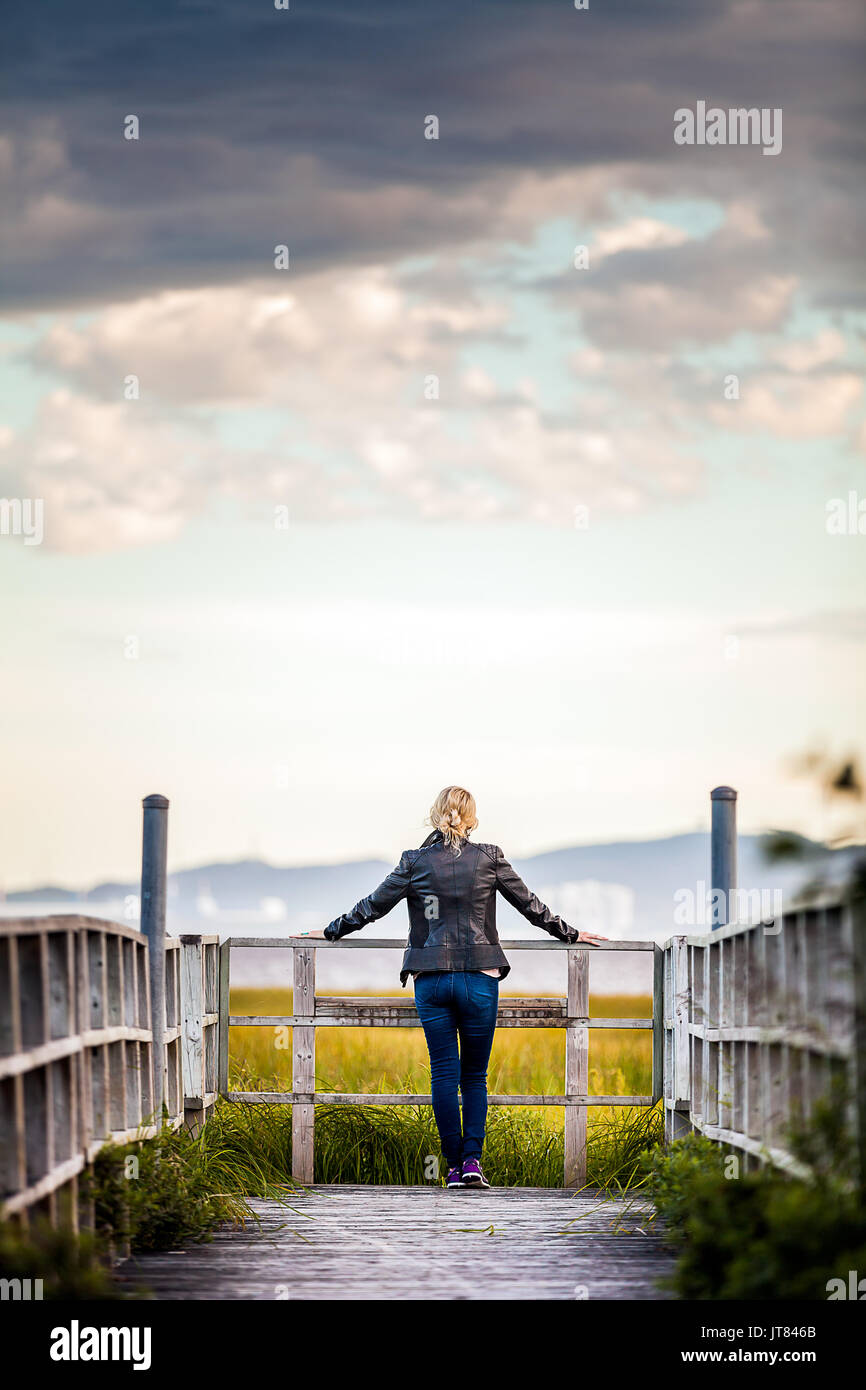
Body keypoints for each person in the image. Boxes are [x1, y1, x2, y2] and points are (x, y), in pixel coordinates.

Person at [312, 786, 606, 1190]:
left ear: (436, 816)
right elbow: (530, 905)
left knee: (443, 1074)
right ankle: (472, 1163)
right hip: (479, 978)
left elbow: (372, 906)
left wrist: (330, 931)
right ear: (471, 819)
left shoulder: (414, 862)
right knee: (474, 1077)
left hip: (431, 978)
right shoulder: (489, 857)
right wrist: (571, 934)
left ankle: (451, 1169)